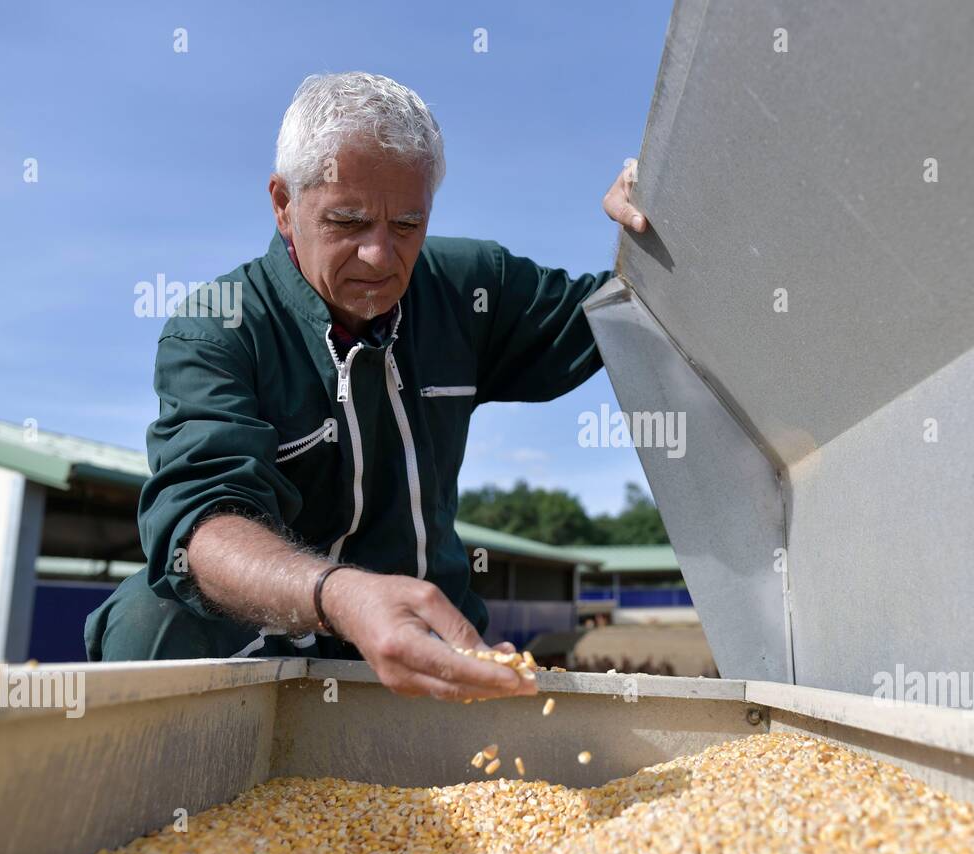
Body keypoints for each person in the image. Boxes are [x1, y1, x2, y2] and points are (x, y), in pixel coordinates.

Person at [85, 72, 647, 702]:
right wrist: (339, 595)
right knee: (146, 621)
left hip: (430, 634)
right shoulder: (217, 329)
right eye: (347, 222)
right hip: (273, 642)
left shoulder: (469, 288)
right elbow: (203, 523)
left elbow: (621, 313)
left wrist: (654, 211)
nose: (380, 257)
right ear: (282, 204)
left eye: (407, 225)